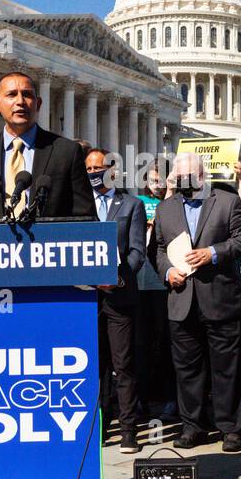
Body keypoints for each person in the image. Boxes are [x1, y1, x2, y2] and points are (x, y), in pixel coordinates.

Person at [154, 152, 241, 451]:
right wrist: (168, 271)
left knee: (227, 367)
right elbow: (157, 249)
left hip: (220, 298)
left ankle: (230, 428)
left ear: (201, 177)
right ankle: (192, 426)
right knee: (187, 369)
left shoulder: (226, 200)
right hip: (182, 300)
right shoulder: (165, 208)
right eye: (177, 177)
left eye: (187, 177)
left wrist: (212, 253)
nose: (182, 182)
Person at [0, 71, 94, 219]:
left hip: (47, 240)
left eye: (27, 94)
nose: (20, 101)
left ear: (38, 104)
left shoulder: (67, 151)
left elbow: (86, 217)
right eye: (11, 94)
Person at [87, 148, 148, 453]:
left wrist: (121, 276)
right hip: (86, 297)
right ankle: (98, 426)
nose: (94, 173)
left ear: (112, 170)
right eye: (89, 168)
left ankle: (128, 430)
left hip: (119, 294)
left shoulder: (131, 204)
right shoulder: (80, 206)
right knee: (93, 366)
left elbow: (138, 250)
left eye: (99, 168)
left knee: (123, 365)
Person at [137, 165, 178, 422]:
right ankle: (140, 401)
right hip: (141, 281)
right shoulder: (137, 203)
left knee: (166, 345)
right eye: (153, 180)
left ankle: (169, 400)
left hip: (166, 283)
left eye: (162, 180)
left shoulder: (175, 204)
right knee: (140, 345)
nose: (157, 184)